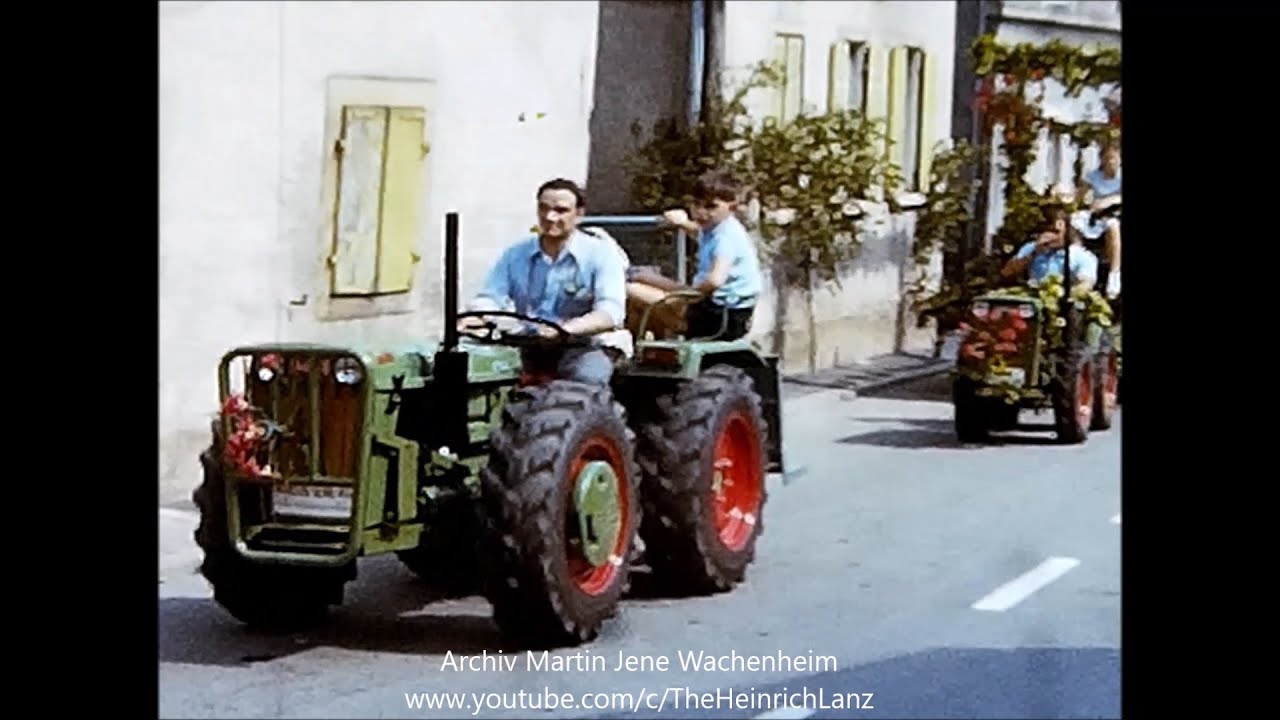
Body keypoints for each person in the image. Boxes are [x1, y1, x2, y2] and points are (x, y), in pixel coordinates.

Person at [459, 178, 627, 386]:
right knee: (472, 370)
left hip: (584, 345)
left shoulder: (601, 254)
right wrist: (478, 315)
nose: (550, 217)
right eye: (544, 208)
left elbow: (610, 313)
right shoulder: (515, 254)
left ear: (579, 214)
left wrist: (565, 329)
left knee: (585, 379)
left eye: (561, 210)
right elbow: (492, 296)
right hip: (528, 343)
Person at [632, 168, 764, 341]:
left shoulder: (726, 238)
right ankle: (658, 337)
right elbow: (698, 233)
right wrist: (682, 223)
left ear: (732, 207)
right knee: (642, 277)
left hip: (721, 314)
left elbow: (715, 280)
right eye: (696, 204)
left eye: (711, 206)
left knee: (631, 290)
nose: (701, 212)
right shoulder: (717, 228)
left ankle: (670, 332)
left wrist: (687, 296)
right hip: (716, 305)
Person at [1002, 203, 1099, 292]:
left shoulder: (1082, 256)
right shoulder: (1031, 248)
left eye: (1056, 232)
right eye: (1047, 231)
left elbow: (1086, 284)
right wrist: (1034, 253)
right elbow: (1007, 273)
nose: (1051, 236)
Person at [1074, 140, 1121, 297]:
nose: (1110, 162)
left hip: (1116, 213)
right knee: (1075, 220)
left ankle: (1114, 274)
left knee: (1113, 226)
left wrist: (1111, 200)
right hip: (1097, 214)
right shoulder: (1094, 176)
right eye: (1107, 158)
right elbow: (1078, 196)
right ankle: (1077, 257)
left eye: (1113, 158)